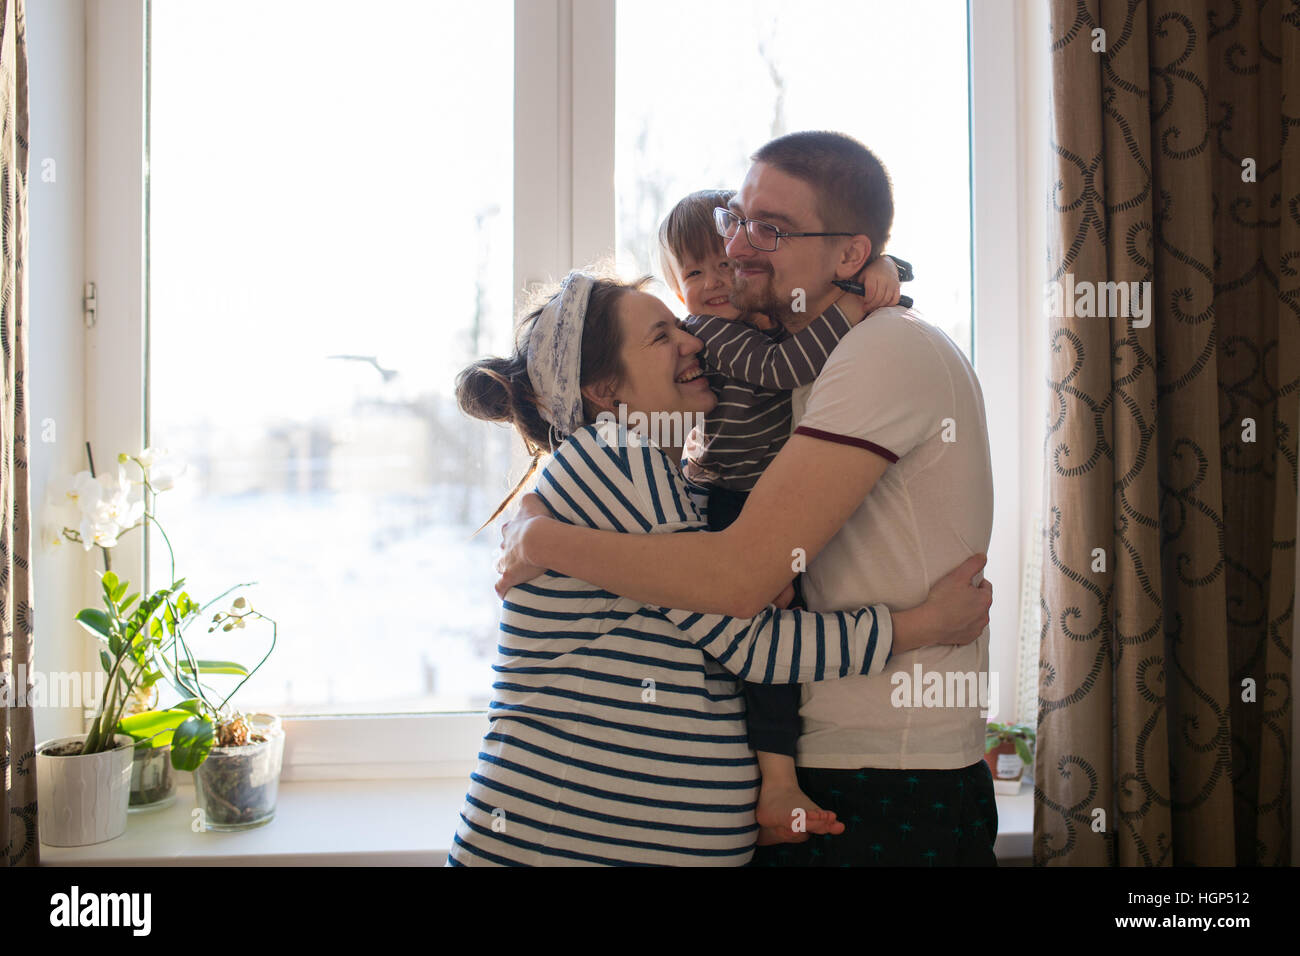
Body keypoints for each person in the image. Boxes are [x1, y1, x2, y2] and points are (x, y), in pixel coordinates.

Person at [496, 131, 998, 866]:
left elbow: (735, 580)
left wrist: (540, 539)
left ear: (850, 255)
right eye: (737, 216)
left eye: (772, 228)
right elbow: (732, 608)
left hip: (883, 769)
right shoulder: (684, 429)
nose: (735, 246)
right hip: (830, 762)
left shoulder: (880, 350)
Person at [656, 187, 913, 844]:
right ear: (676, 286)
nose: (713, 283)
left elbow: (854, 293)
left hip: (776, 497)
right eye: (693, 273)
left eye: (723, 262)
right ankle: (772, 783)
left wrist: (884, 272)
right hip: (730, 500)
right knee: (759, 646)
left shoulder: (771, 314)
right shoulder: (711, 334)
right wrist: (857, 299)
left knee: (782, 632)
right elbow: (784, 369)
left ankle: (770, 784)